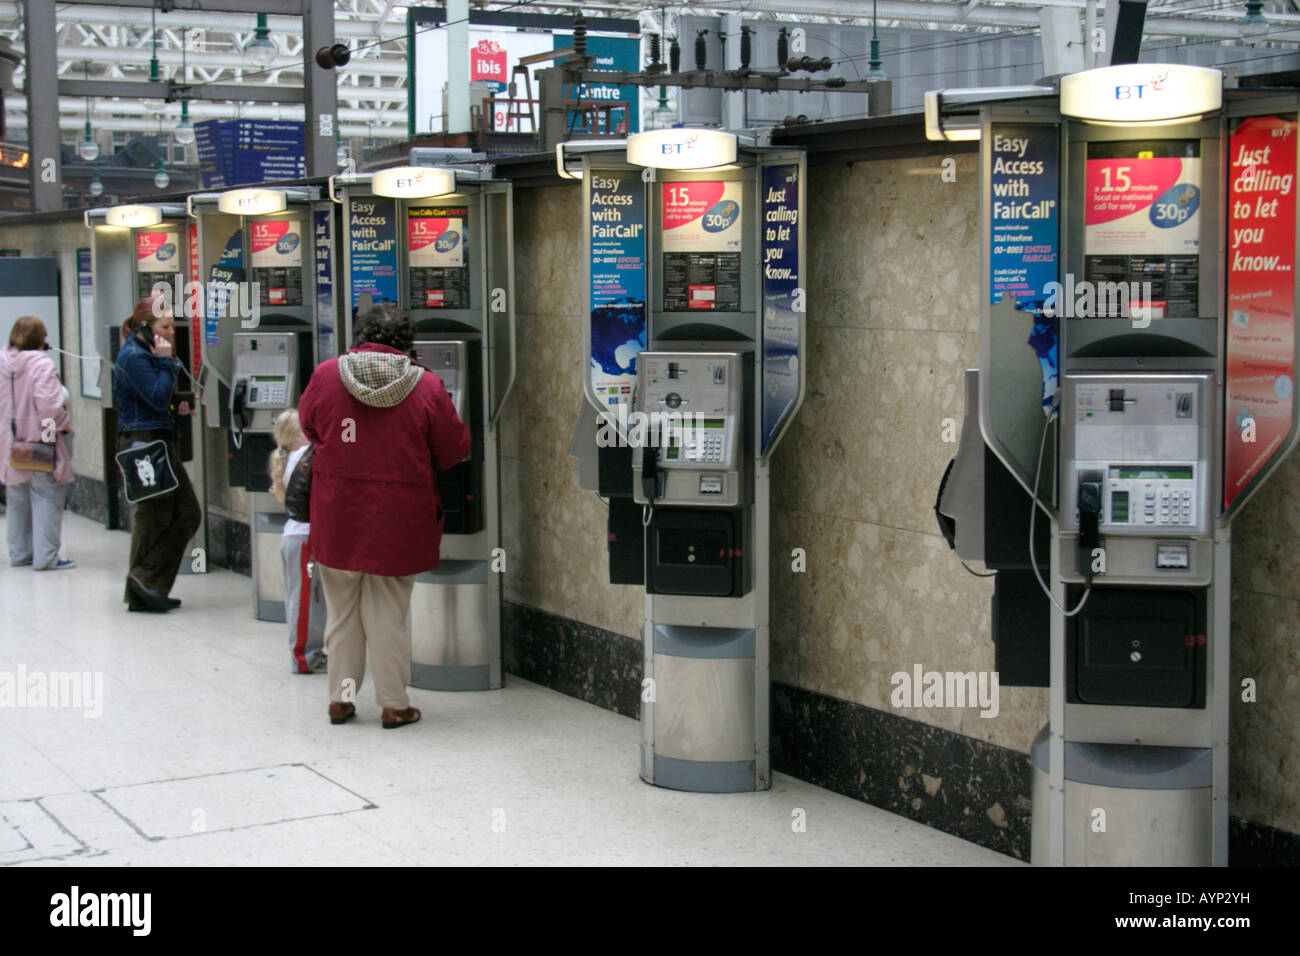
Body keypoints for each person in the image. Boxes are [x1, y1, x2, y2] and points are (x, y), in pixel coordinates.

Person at [298, 304, 470, 729]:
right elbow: (454, 450)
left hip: (338, 514)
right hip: (398, 519)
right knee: (387, 614)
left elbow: (311, 427)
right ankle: (394, 704)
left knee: (341, 613)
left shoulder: (326, 376)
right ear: (406, 344)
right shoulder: (426, 387)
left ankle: (341, 699)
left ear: (361, 337)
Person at [112, 296, 201, 612]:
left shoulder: (145, 353)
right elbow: (156, 396)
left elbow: (164, 399)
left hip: (156, 441)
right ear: (145, 326)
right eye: (164, 326)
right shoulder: (134, 357)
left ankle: (147, 583)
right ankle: (143, 583)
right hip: (144, 445)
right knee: (153, 517)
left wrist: (182, 402)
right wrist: (166, 362)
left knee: (183, 512)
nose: (171, 332)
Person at [0, 316, 75, 570]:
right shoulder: (42, 365)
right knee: (46, 495)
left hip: (10, 442)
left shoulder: (2, 362)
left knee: (17, 497)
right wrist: (50, 440)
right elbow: (48, 408)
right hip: (38, 441)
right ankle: (46, 557)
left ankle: (20, 553)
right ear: (40, 339)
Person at [269, 408, 327, 674]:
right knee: (305, 600)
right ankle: (304, 656)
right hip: (303, 540)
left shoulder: (290, 459)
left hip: (297, 539)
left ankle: (309, 651)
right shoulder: (300, 459)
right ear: (294, 437)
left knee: (305, 597)